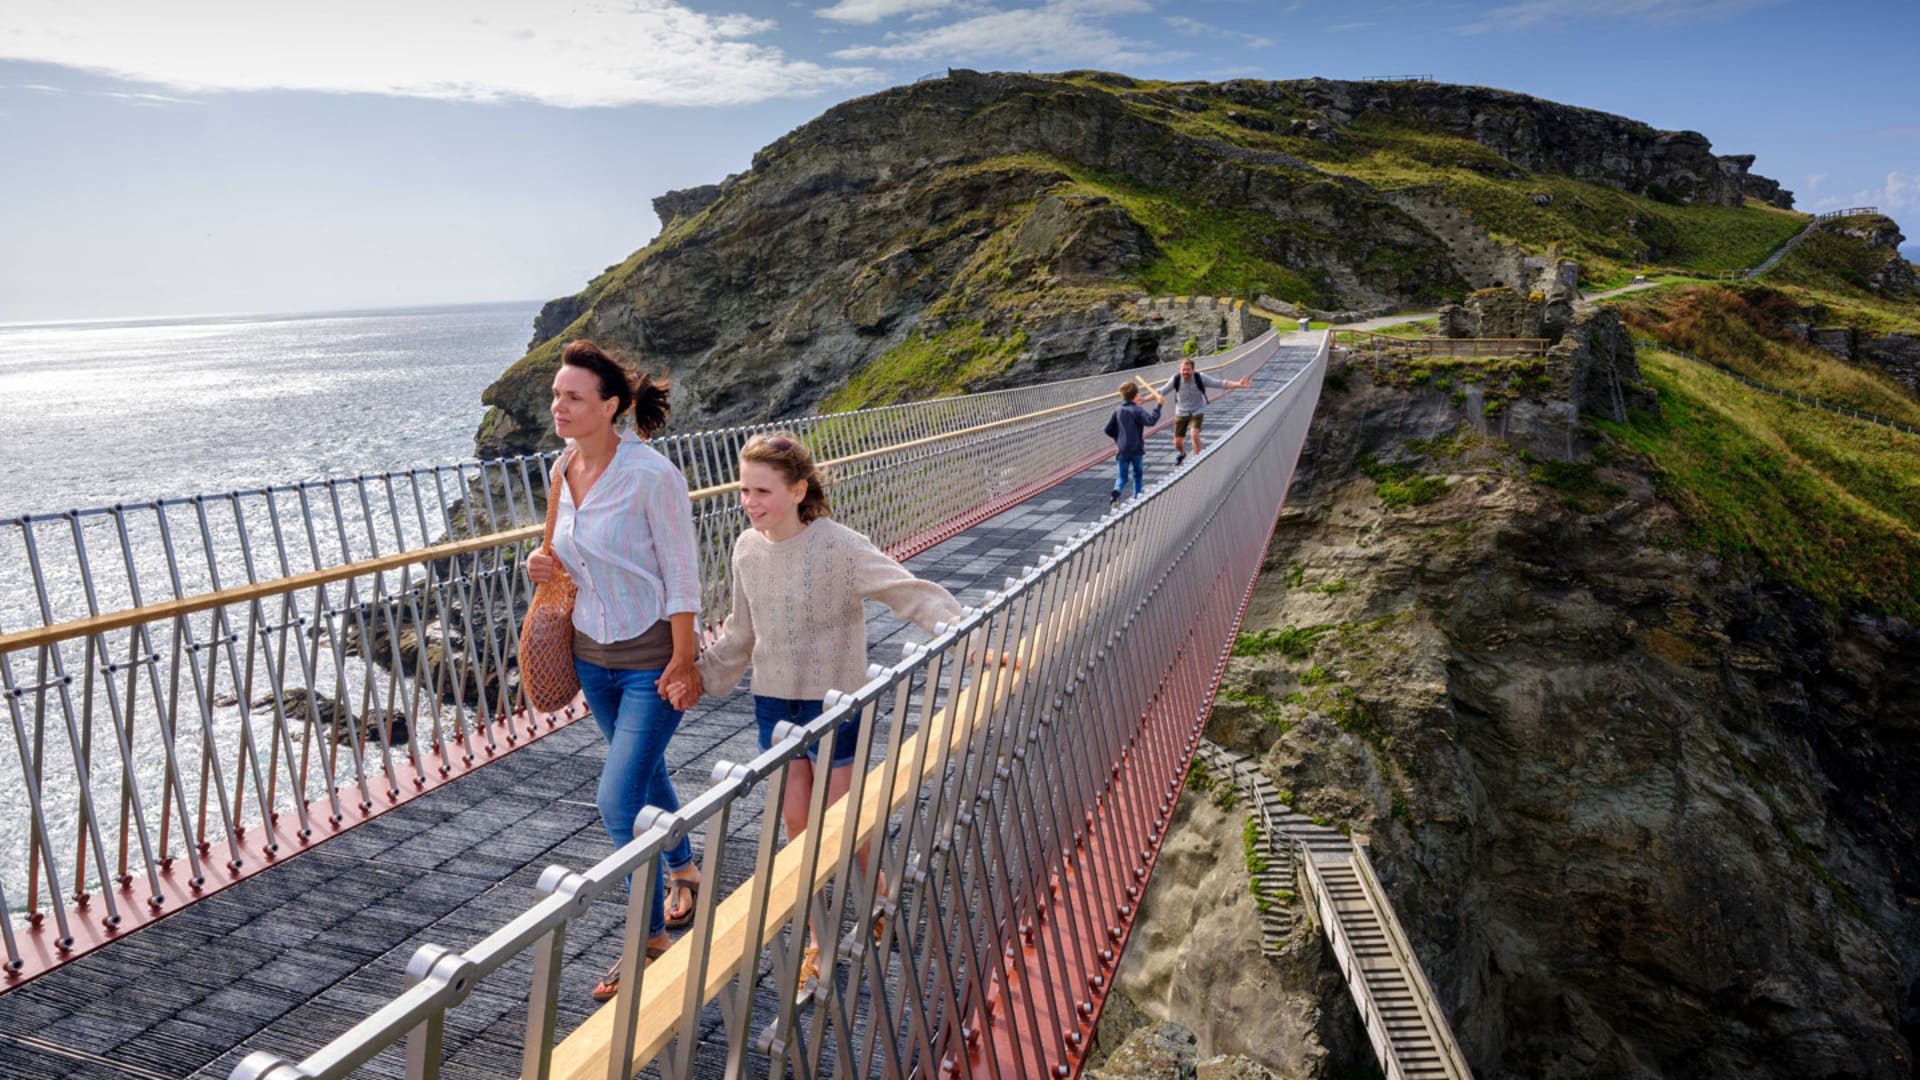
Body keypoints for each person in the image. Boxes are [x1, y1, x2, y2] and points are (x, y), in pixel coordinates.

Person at [696, 432, 965, 998]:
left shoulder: (839, 545)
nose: (750, 501)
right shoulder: (746, 549)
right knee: (797, 826)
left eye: (763, 490)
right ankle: (819, 939)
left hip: (836, 702)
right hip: (773, 701)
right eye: (744, 489)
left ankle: (881, 891)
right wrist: (699, 675)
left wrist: (970, 639)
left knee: (842, 822)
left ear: (798, 489)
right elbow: (741, 634)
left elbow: (907, 591)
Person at [525, 338, 703, 1002]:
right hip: (588, 658)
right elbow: (570, 558)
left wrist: (684, 659)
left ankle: (647, 938)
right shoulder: (560, 469)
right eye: (556, 395)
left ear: (611, 406)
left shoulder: (652, 475)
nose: (559, 406)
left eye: (572, 396)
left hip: (651, 658)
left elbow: (681, 575)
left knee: (615, 798)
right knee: (645, 774)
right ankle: (684, 868)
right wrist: (543, 568)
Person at [1160, 357, 1252, 464]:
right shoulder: (1175, 379)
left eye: (1188, 370)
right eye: (1183, 369)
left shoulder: (1200, 377)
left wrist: (1239, 384)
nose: (1185, 372)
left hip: (1196, 410)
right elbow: (1161, 391)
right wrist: (1144, 399)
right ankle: (1182, 454)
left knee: (1194, 434)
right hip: (1181, 411)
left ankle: (1196, 460)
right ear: (1180, 370)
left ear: (1193, 370)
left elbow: (1220, 383)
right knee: (1177, 442)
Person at [1104, 379, 1163, 507]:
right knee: (1137, 474)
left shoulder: (1118, 410)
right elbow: (1151, 421)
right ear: (1136, 395)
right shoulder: (1138, 410)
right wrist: (1158, 405)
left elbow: (1107, 429)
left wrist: (1118, 439)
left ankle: (1117, 492)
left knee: (1122, 477)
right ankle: (1137, 497)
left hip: (1122, 450)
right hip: (1136, 449)